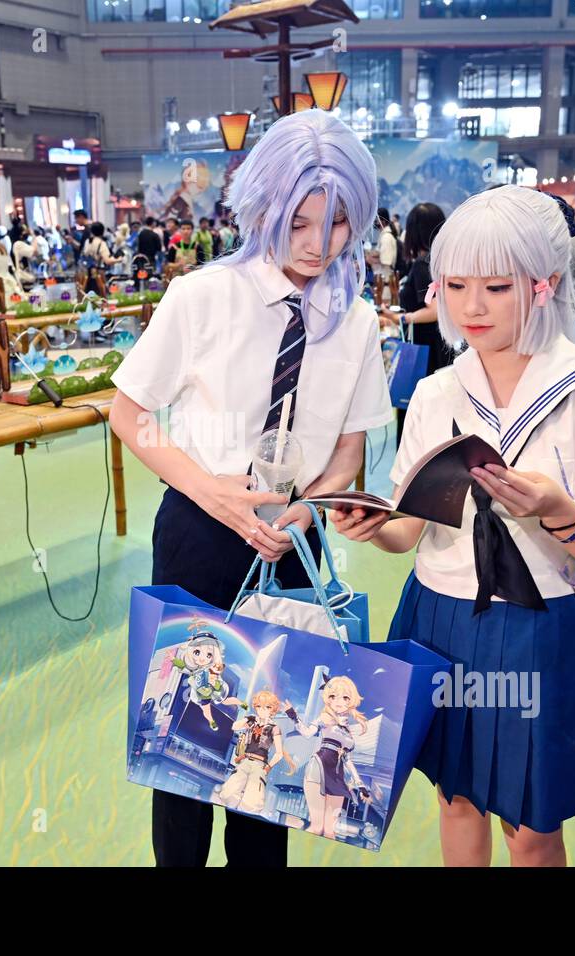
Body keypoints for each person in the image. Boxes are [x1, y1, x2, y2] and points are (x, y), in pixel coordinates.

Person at [332, 184, 575, 867]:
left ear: (545, 285)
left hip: (539, 626)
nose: (471, 307)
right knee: (455, 796)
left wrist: (556, 511)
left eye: (496, 286)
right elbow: (410, 532)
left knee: (533, 824)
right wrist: (372, 524)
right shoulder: (434, 392)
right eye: (455, 285)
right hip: (435, 616)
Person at [109, 109, 395, 868]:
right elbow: (129, 413)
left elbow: (350, 448)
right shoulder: (204, 295)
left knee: (274, 737)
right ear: (263, 203)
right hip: (199, 535)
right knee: (181, 743)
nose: (315, 243)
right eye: (298, 220)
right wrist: (215, 493)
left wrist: (313, 504)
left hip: (294, 546)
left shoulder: (358, 320)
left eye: (336, 225)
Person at [393, 202, 450, 442]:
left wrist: (403, 318)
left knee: (413, 417)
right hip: (438, 348)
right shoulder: (441, 263)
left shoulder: (423, 265)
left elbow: (435, 310)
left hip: (421, 353)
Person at [374, 206, 398, 287]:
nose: (374, 222)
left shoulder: (386, 237)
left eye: (376, 219)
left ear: (383, 221)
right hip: (384, 282)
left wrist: (371, 259)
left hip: (386, 284)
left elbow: (386, 262)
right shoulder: (384, 236)